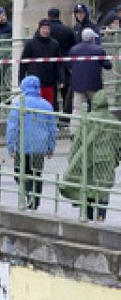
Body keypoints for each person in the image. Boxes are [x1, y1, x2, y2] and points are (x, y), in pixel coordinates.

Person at [59, 92, 121, 222]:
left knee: (87, 185)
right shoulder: (113, 121)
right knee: (103, 188)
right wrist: (116, 158)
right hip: (106, 160)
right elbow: (118, 142)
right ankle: (101, 215)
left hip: (89, 159)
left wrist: (72, 158)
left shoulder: (87, 119)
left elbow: (78, 141)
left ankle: (87, 215)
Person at [7, 74, 59, 210]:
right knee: (36, 173)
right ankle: (34, 199)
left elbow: (12, 127)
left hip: (22, 147)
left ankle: (28, 193)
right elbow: (52, 128)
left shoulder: (18, 104)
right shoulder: (46, 105)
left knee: (19, 173)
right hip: (39, 147)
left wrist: (11, 147)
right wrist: (50, 147)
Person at [67, 27, 110, 134]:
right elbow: (107, 65)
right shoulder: (98, 50)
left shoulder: (73, 50)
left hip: (78, 85)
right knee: (98, 108)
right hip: (94, 85)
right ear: (92, 38)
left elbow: (68, 64)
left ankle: (74, 133)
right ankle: (98, 132)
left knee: (77, 110)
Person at [19, 20, 63, 108]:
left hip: (50, 81)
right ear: (39, 29)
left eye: (47, 28)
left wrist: (61, 79)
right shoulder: (30, 44)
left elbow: (58, 63)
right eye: (44, 28)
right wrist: (21, 79)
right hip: (35, 83)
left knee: (49, 106)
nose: (46, 31)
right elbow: (23, 63)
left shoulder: (54, 44)